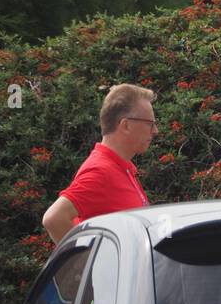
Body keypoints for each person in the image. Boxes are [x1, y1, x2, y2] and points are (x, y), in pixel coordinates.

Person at [42, 84, 157, 243]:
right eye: (150, 123)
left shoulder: (121, 167)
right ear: (126, 125)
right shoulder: (101, 171)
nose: (155, 131)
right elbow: (53, 218)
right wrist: (88, 264)